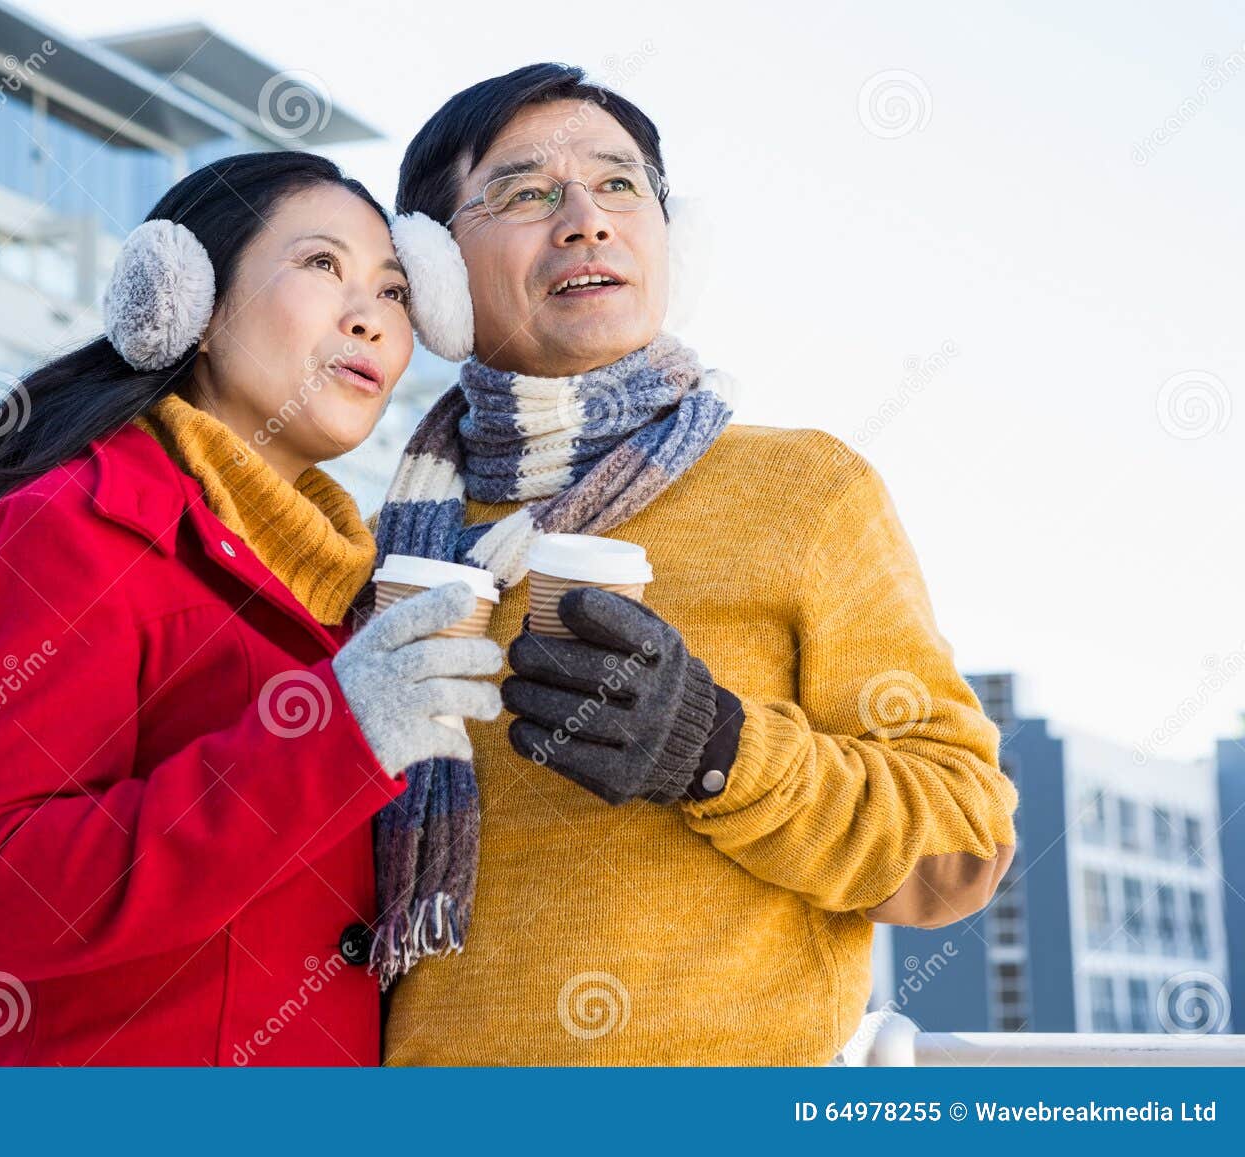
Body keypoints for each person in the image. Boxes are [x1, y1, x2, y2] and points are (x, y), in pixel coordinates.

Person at [368, 63, 1020, 1065]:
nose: (585, 218)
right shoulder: (386, 540)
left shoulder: (803, 487)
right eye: (525, 191)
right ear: (434, 274)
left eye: (619, 184)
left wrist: (714, 748)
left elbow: (960, 847)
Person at [0, 151, 503, 1066]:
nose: (370, 313)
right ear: (192, 304)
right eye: (322, 264)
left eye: (397, 289)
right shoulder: (69, 531)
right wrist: (331, 737)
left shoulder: (357, 595)